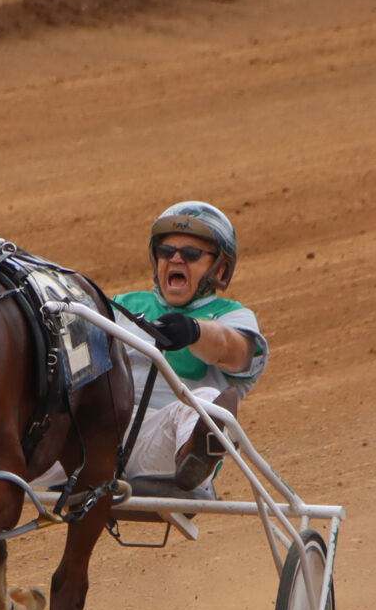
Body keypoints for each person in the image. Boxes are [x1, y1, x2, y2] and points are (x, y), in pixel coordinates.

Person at [113, 201, 268, 491]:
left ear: (220, 268)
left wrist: (193, 331)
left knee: (207, 400)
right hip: (96, 433)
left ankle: (193, 463)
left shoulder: (232, 316)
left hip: (159, 446)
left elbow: (230, 349)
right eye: (166, 251)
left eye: (191, 254)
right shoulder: (123, 305)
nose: (175, 260)